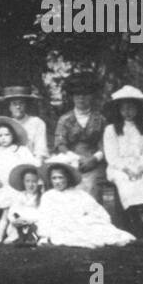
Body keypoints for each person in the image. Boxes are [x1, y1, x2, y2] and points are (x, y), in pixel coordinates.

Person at [101, 85, 143, 238]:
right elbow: (112, 157)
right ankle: (136, 225)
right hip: (119, 167)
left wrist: (141, 168)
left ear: (138, 109)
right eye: (124, 109)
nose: (128, 113)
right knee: (126, 184)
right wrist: (127, 169)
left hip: (142, 165)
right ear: (118, 110)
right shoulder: (111, 129)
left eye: (131, 108)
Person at [36, 155, 136, 248]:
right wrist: (45, 235)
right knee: (69, 234)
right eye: (54, 178)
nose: (57, 181)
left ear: (67, 178)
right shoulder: (48, 196)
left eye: (60, 177)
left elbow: (95, 209)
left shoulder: (79, 194)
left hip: (79, 222)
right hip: (60, 225)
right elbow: (45, 216)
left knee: (98, 229)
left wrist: (89, 217)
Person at [53, 72, 108, 200]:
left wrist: (94, 159)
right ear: (72, 97)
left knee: (93, 189)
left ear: (91, 97)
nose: (81, 99)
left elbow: (106, 143)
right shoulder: (65, 119)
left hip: (94, 163)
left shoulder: (100, 119)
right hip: (70, 162)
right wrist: (76, 158)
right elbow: (60, 143)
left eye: (85, 95)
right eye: (77, 95)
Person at [0, 116, 38, 219]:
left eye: (7, 134)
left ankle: (3, 228)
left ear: (13, 135)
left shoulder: (20, 150)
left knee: (12, 202)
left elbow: (31, 164)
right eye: (0, 135)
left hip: (15, 183)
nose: (3, 138)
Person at [0, 163, 42, 245]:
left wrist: (30, 220)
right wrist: (15, 220)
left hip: (34, 222)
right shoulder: (19, 195)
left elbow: (43, 214)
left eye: (34, 182)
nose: (30, 185)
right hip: (19, 223)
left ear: (38, 183)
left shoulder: (41, 197)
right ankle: (16, 238)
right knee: (14, 222)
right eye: (27, 181)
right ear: (23, 182)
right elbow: (13, 211)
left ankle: (31, 238)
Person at [1, 86, 50, 162]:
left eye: (21, 103)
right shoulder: (5, 124)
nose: (18, 107)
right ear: (9, 107)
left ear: (26, 105)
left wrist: (36, 163)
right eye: (14, 104)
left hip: (31, 162)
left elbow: (40, 149)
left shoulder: (36, 122)